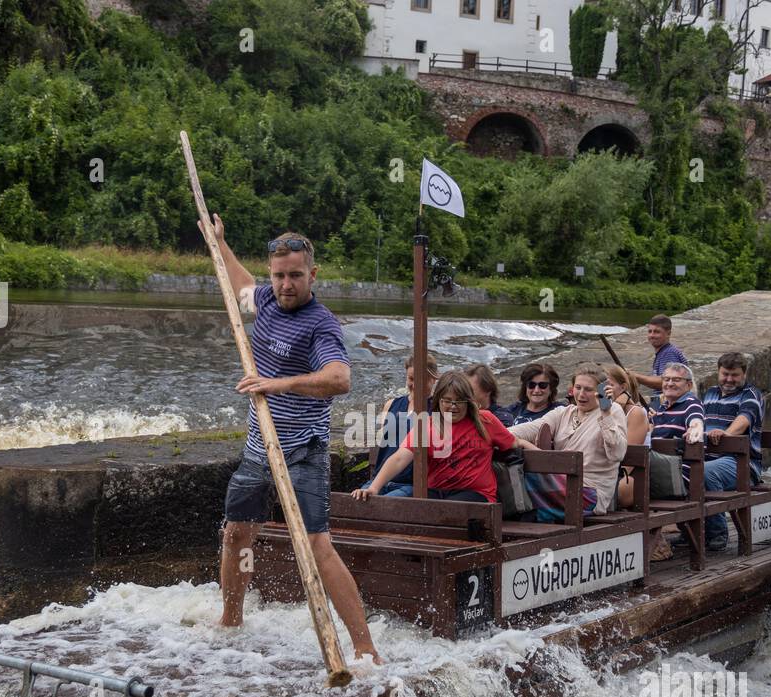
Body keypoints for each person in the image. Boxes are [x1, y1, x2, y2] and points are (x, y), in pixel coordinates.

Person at [203, 214, 381, 664]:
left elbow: (339, 380)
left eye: (295, 276)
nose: (285, 285)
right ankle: (231, 621)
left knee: (317, 546)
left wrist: (275, 383)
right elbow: (241, 287)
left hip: (303, 450)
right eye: (279, 275)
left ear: (312, 275)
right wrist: (219, 243)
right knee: (236, 534)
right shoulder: (265, 298)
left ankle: (364, 647)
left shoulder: (321, 324)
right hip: (258, 448)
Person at [354, 370, 536, 503]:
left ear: (469, 402)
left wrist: (537, 450)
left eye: (459, 402)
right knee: (405, 507)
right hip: (436, 491)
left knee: (446, 509)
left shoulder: (485, 420)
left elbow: (513, 443)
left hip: (476, 494)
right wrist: (374, 488)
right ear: (438, 401)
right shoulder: (427, 424)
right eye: (447, 401)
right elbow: (400, 457)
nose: (453, 407)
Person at [507, 364, 628, 518]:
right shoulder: (564, 412)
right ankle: (522, 515)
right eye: (578, 387)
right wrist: (494, 434)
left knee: (521, 468)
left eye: (588, 389)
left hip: (589, 492)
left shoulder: (613, 411)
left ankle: (527, 514)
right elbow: (531, 428)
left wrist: (606, 412)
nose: (581, 394)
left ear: (601, 391)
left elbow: (617, 453)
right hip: (560, 483)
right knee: (508, 465)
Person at [701, 352, 764, 552]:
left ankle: (718, 532)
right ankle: (689, 533)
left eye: (734, 375)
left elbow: (744, 419)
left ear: (744, 374)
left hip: (741, 462)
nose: (729, 379)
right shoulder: (710, 393)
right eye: (725, 374)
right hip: (707, 456)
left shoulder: (751, 395)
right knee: (680, 470)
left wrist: (726, 434)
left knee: (705, 472)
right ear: (718, 372)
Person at [649, 361, 706, 558]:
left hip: (679, 477)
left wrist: (695, 430)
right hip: (656, 472)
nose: (669, 383)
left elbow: (697, 420)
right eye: (666, 379)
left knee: (625, 489)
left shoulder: (691, 403)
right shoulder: (659, 407)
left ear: (688, 385)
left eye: (676, 380)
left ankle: (656, 545)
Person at [372, 354, 438, 497]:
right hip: (381, 480)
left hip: (411, 485)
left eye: (422, 380)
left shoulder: (437, 409)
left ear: (433, 379)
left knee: (382, 507)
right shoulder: (391, 405)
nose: (415, 385)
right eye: (411, 379)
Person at [606, 364, 652, 510]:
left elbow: (627, 460)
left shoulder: (635, 413)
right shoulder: (597, 410)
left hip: (628, 474)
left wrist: (616, 409)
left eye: (609, 385)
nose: (603, 390)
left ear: (623, 387)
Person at [633, 315, 689, 395]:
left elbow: (665, 382)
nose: (652, 335)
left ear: (668, 334)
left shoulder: (669, 353)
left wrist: (635, 377)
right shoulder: (664, 352)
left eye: (656, 332)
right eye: (650, 331)